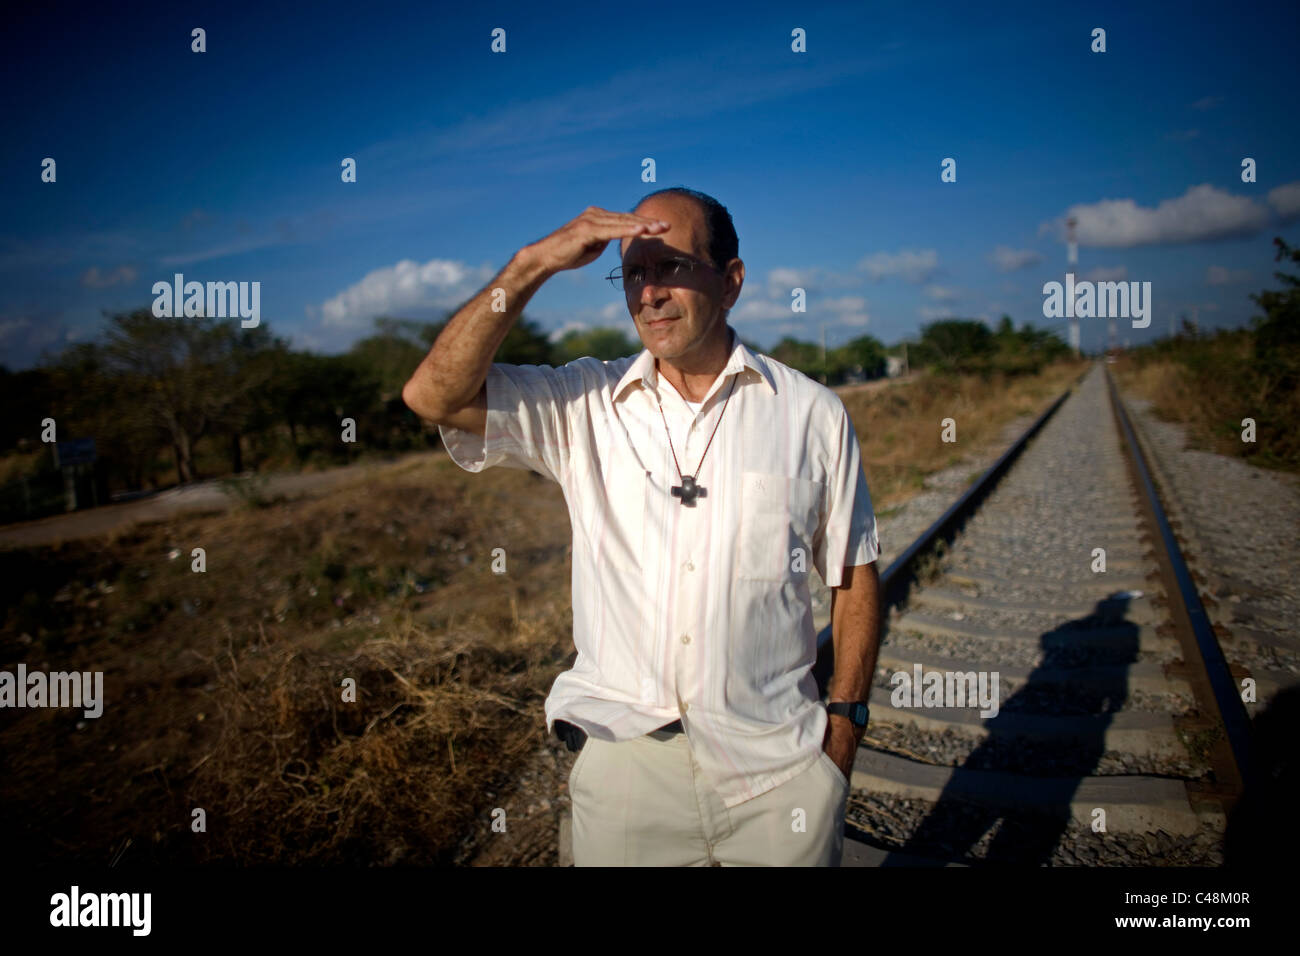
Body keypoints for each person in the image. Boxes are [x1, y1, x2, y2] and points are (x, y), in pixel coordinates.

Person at [402, 186, 882, 866]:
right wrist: (530, 264)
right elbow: (432, 395)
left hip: (780, 771)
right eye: (633, 273)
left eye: (673, 268)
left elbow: (854, 578)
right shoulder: (581, 403)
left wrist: (843, 735)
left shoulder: (812, 414)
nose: (649, 292)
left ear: (732, 281)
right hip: (628, 778)